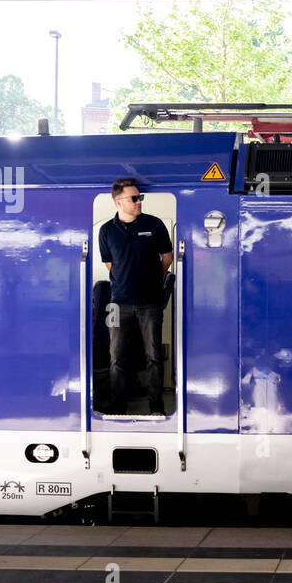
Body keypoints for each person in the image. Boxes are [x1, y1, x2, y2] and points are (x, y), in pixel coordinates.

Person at [99, 178, 173, 415]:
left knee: (153, 356)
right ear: (118, 202)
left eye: (140, 197)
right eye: (134, 198)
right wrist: (126, 280)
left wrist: (150, 278)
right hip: (117, 304)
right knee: (116, 357)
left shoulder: (154, 224)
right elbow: (110, 264)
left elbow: (167, 258)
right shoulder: (107, 230)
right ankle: (118, 405)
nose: (139, 201)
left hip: (150, 302)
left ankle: (156, 407)